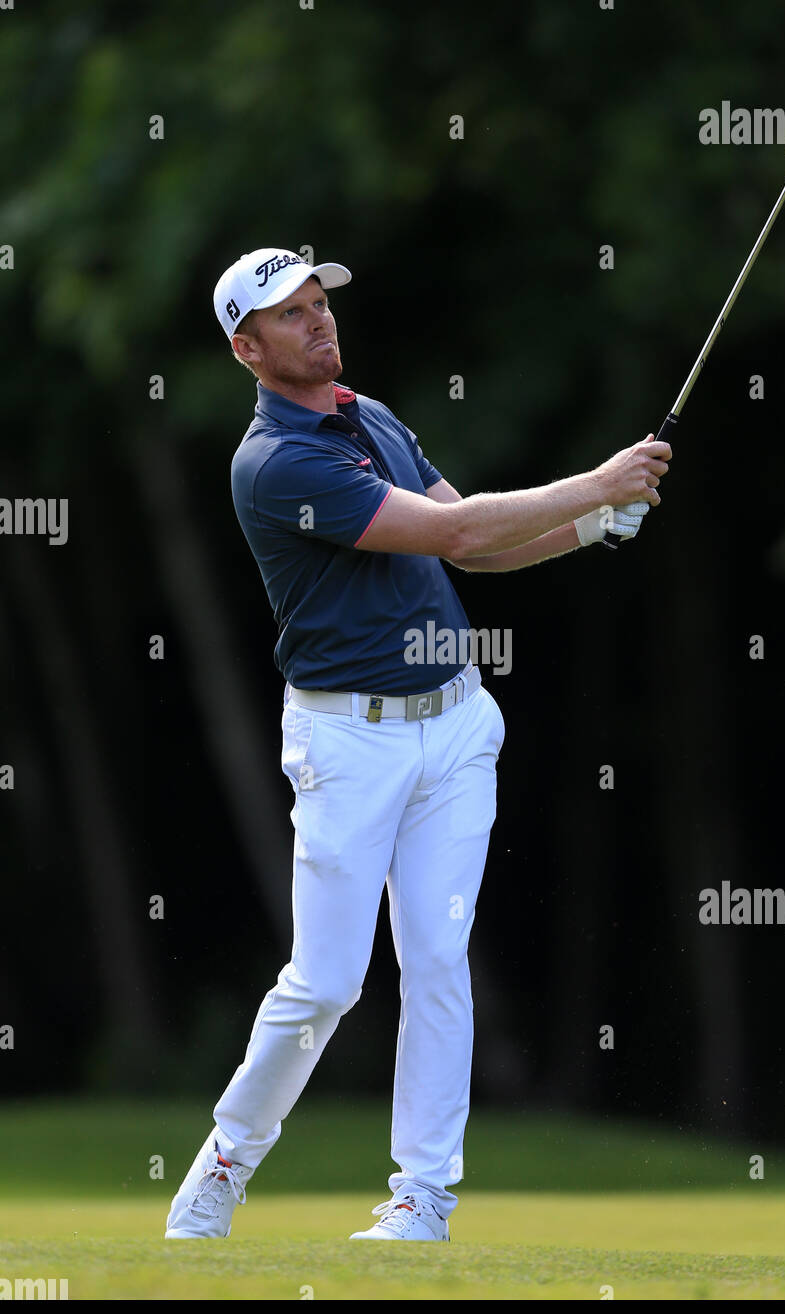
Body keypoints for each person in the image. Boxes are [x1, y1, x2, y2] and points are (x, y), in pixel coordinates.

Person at [164, 246, 671, 1242]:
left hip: (453, 728)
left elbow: (472, 539)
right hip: (347, 742)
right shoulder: (277, 464)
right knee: (328, 981)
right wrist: (595, 480)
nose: (317, 320)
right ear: (245, 347)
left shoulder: (373, 417)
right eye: (290, 313)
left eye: (320, 302)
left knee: (439, 961)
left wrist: (593, 522)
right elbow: (452, 534)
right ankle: (222, 1164)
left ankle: (421, 1201)